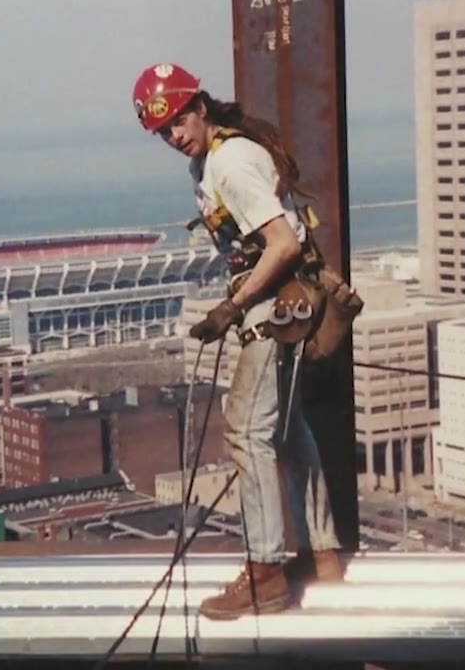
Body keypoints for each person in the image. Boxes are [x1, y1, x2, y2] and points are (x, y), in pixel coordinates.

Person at [131, 62, 344, 621]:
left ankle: (266, 571)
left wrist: (232, 306)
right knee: (289, 433)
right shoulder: (211, 160)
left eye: (178, 122)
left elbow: (280, 244)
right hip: (278, 305)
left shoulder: (227, 160)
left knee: (245, 430)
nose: (173, 137)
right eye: (163, 132)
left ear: (200, 107)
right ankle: (322, 556)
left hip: (275, 306)